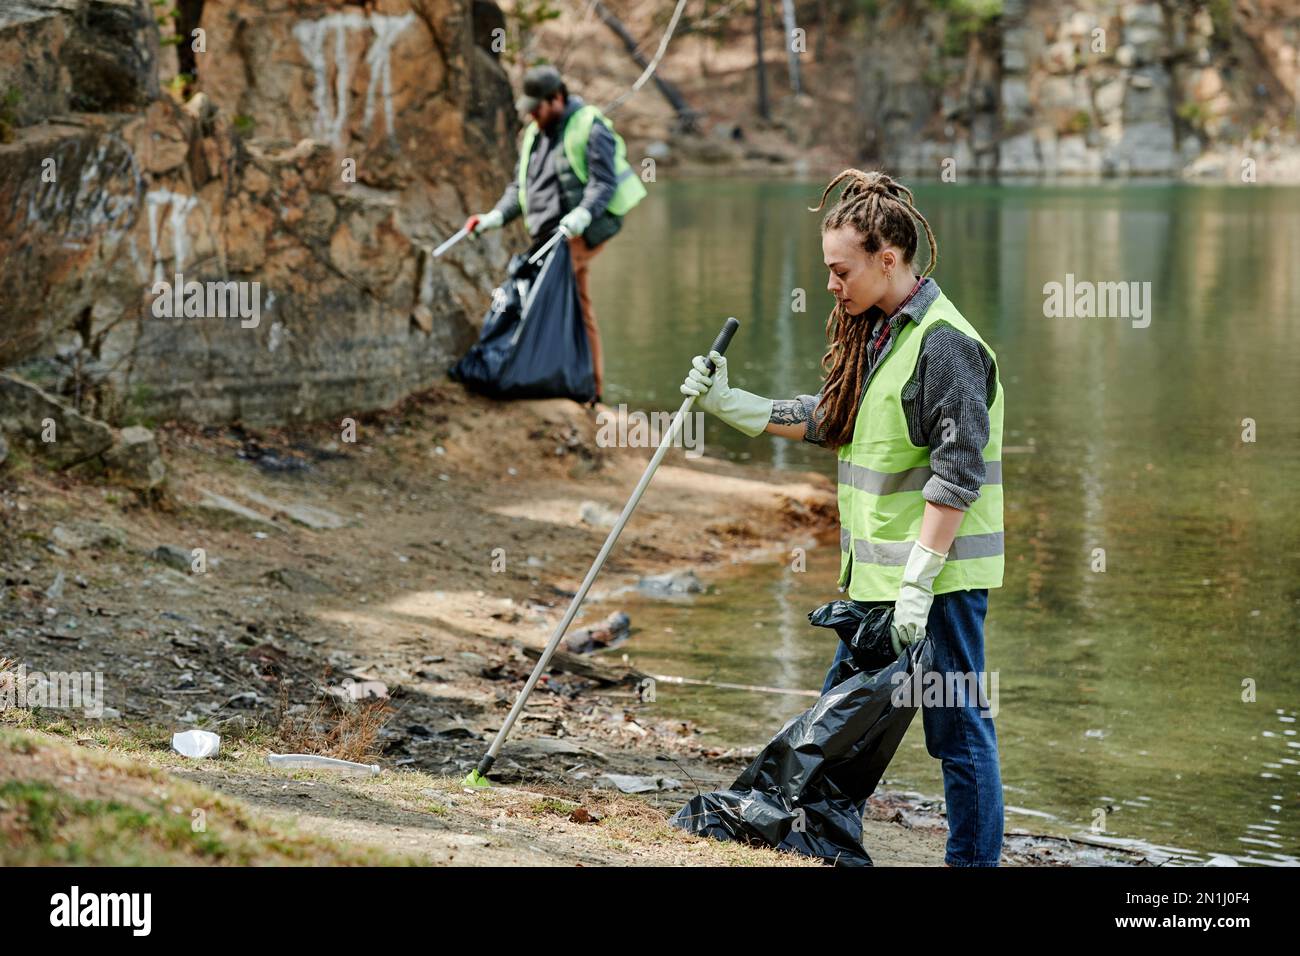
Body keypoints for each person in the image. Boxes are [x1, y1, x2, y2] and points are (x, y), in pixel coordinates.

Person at [680, 169, 1006, 868]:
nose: (831, 284)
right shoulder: (881, 333)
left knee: (958, 732)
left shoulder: (946, 345)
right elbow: (834, 416)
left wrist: (919, 582)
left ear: (888, 259)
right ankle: (815, 844)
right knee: (839, 722)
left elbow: (959, 473)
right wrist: (733, 404)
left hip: (938, 584)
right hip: (879, 581)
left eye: (840, 270)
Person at [464, 65, 646, 405]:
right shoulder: (535, 134)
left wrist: (582, 215)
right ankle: (586, 385)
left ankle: (555, 376)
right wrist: (493, 217)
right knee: (577, 299)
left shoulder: (590, 127)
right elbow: (520, 186)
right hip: (550, 233)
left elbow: (603, 183)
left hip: (587, 228)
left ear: (557, 98)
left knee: (547, 292)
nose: (532, 115)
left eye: (537, 108)